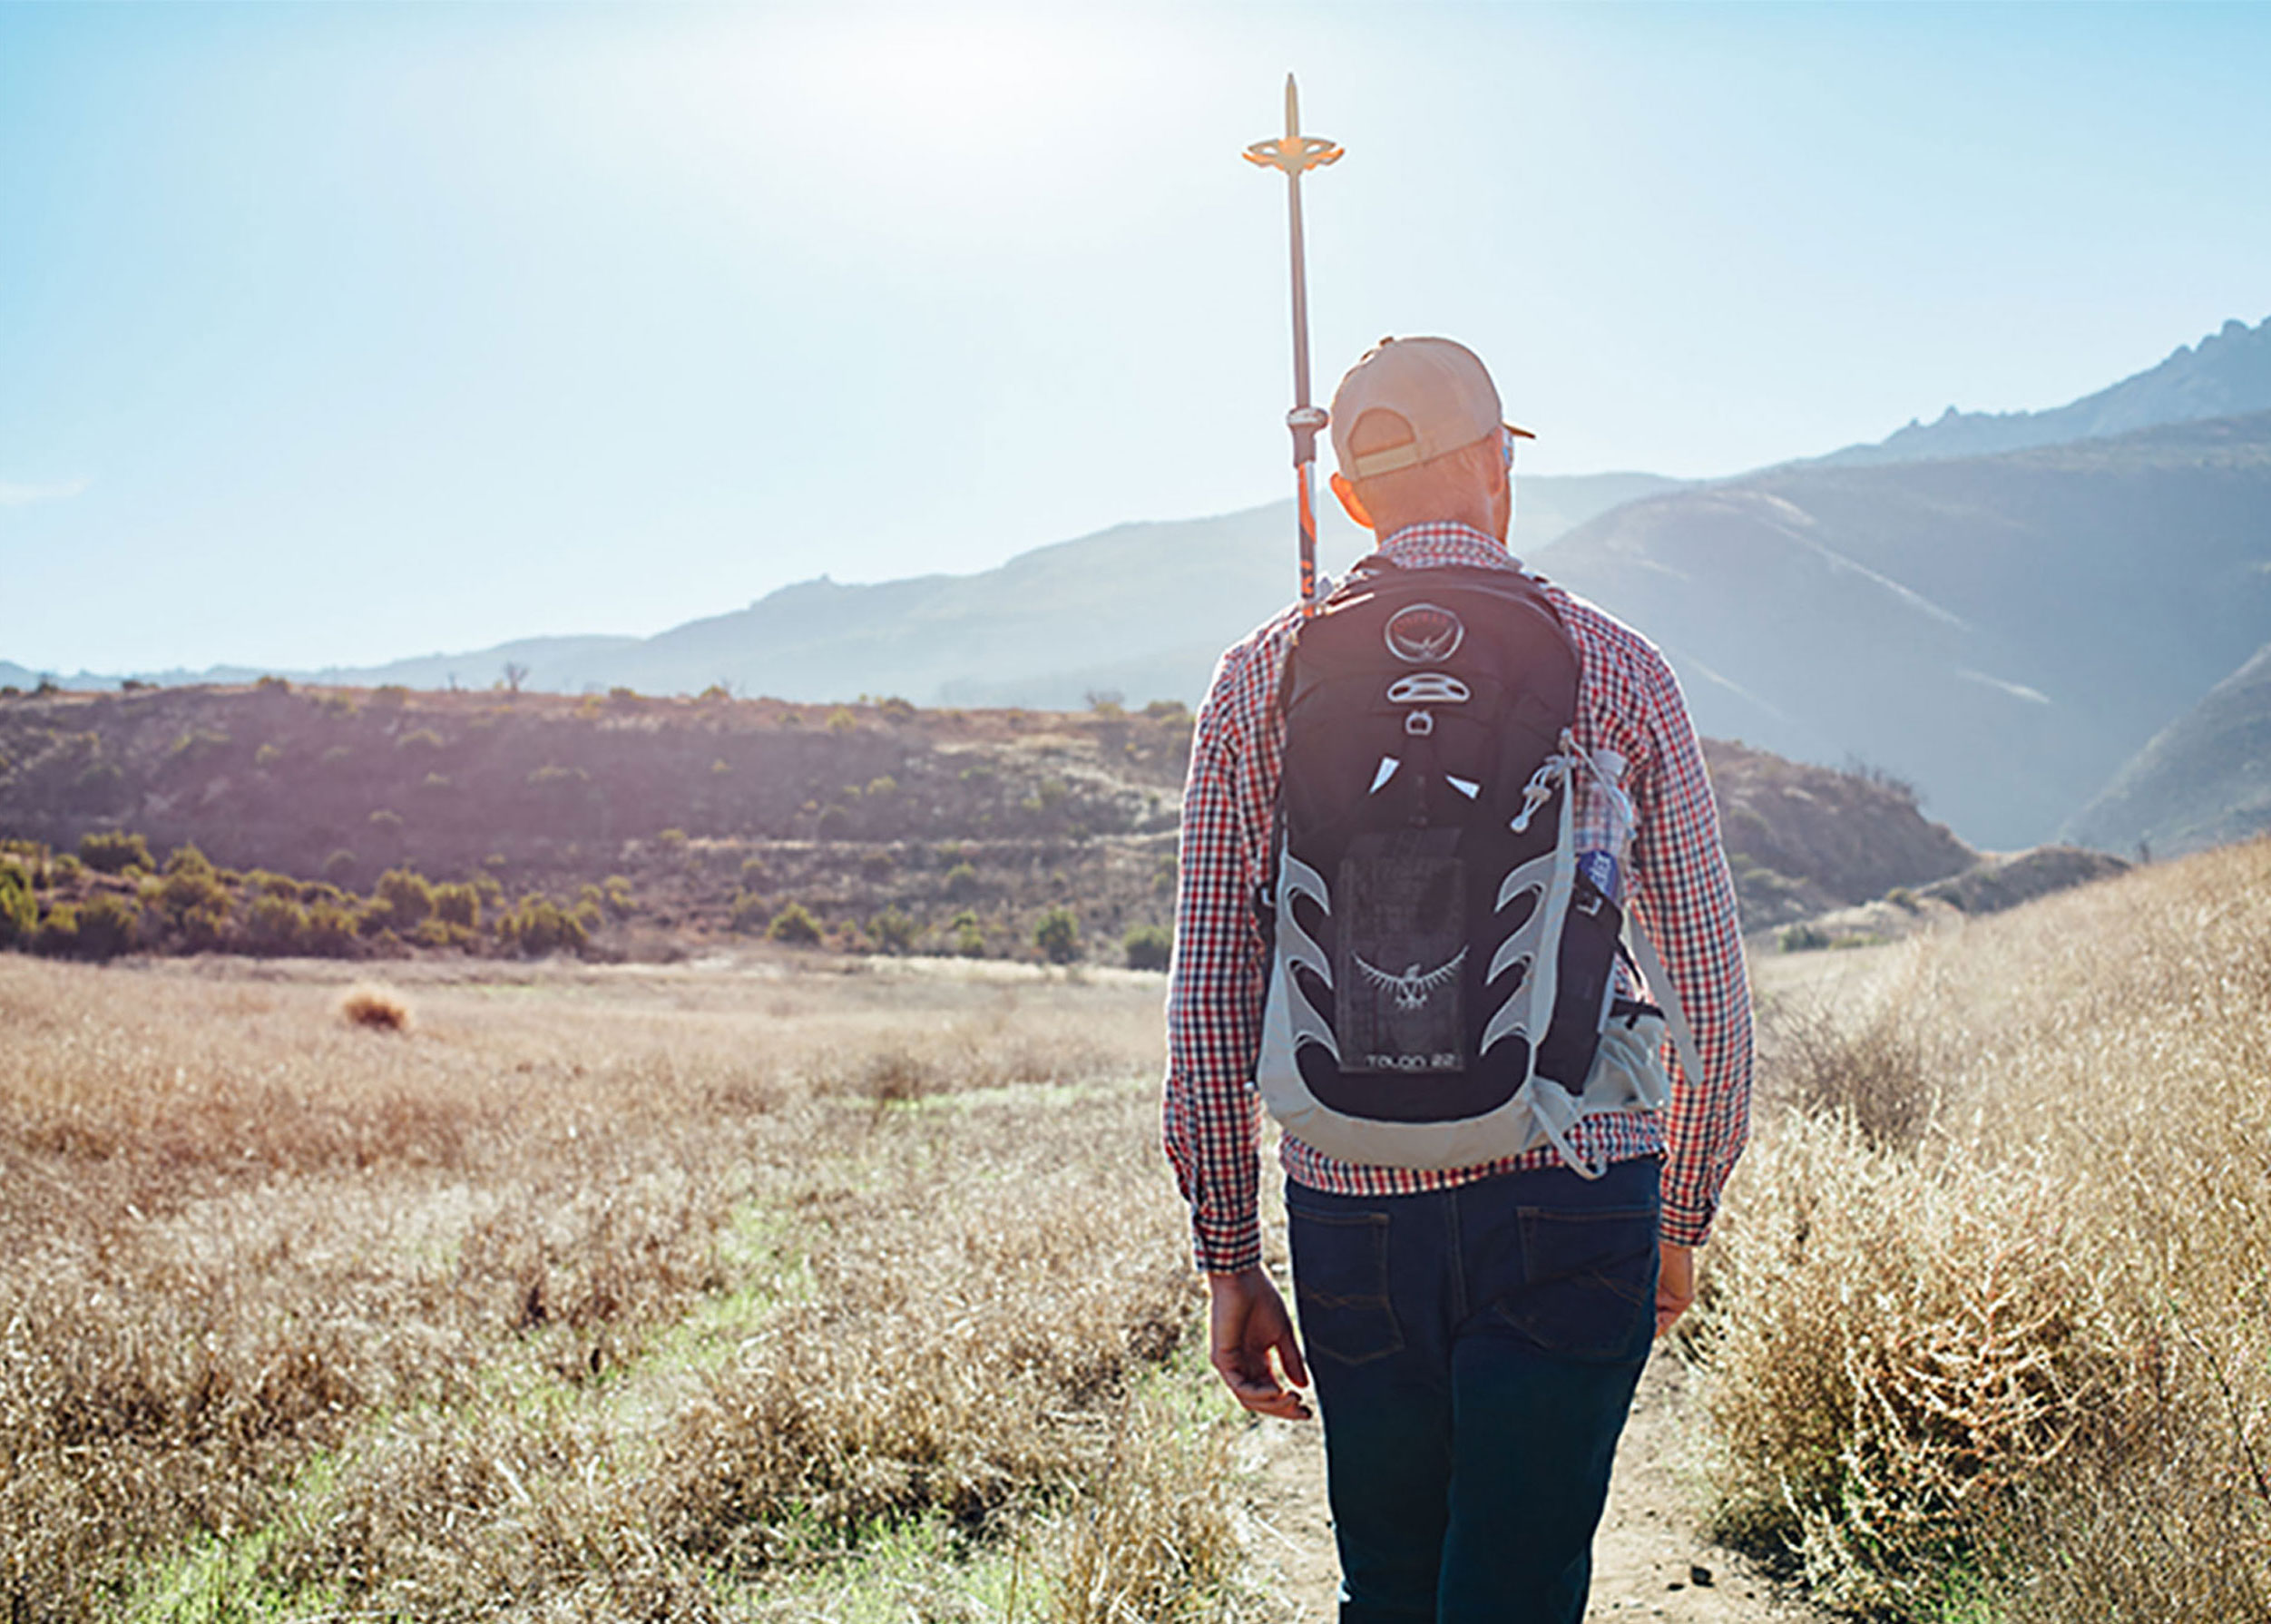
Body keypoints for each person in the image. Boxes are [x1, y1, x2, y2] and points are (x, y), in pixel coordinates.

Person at [1163, 336, 1752, 1623]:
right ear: (1496, 467)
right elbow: (1710, 994)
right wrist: (1683, 1218)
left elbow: (1210, 996)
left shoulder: (1264, 675)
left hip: (1351, 1210)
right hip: (1577, 1187)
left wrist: (1229, 1252)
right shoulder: (1620, 669)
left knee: (1390, 1587)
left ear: (1350, 497)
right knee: (1517, 1592)